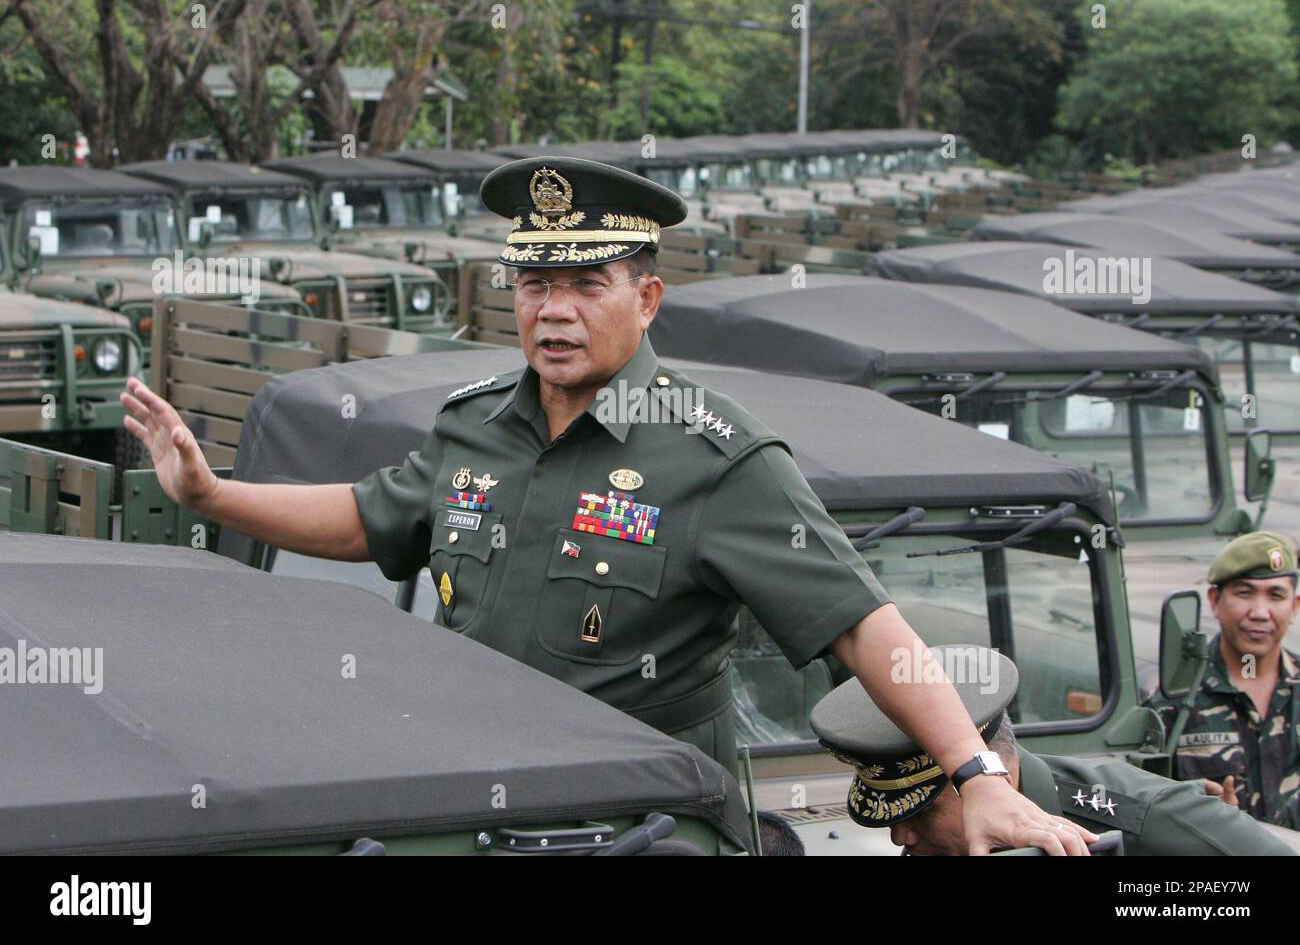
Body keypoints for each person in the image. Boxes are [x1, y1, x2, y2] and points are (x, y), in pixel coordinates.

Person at [122, 156, 1095, 855]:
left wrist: (974, 775)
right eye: (535, 282)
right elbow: (371, 516)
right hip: (471, 811)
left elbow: (863, 628)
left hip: (640, 827)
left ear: (648, 299)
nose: (553, 309)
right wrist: (213, 493)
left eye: (587, 284)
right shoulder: (476, 428)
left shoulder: (717, 457)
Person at [811, 644, 1295, 855]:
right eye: (893, 818)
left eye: (916, 814)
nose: (900, 840)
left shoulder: (1138, 821)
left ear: (986, 782)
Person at [1146, 531, 1300, 829]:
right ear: (1215, 601)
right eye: (1244, 593)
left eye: (1275, 595)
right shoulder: (1173, 701)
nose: (1259, 612)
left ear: (1294, 607)